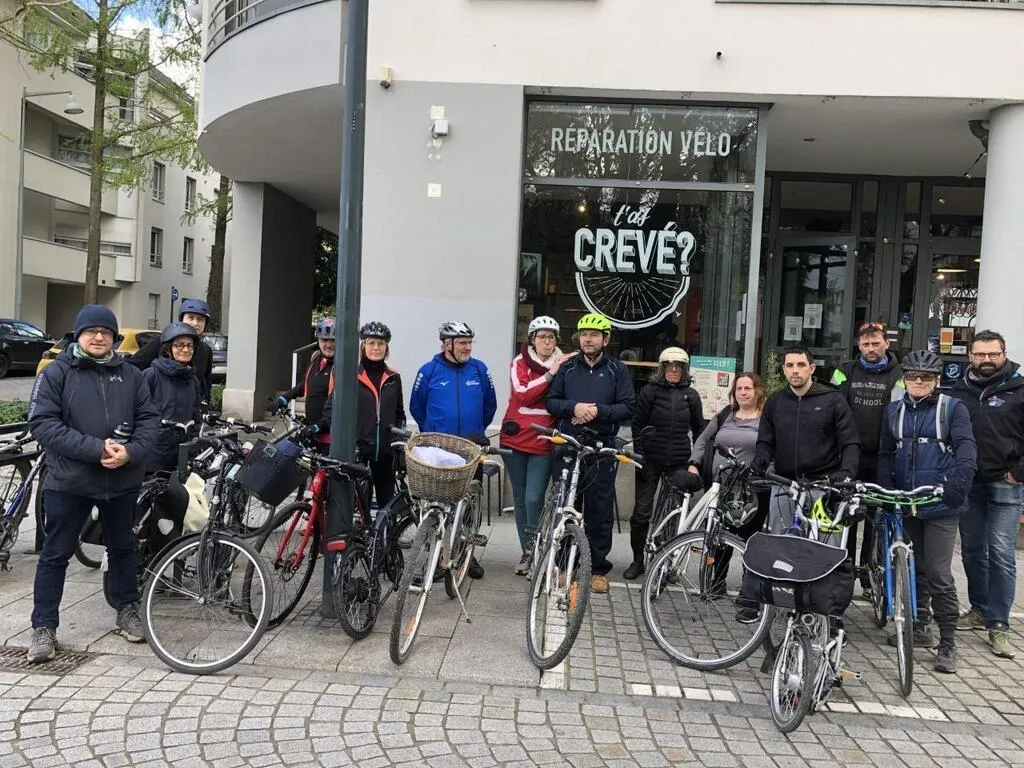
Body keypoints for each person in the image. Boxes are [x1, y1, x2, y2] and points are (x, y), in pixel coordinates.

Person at [26, 305, 159, 663]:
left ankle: (127, 610)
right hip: (70, 481)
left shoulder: (133, 376)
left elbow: (150, 421)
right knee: (55, 554)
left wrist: (130, 452)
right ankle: (43, 626)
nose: (98, 337)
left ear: (114, 338)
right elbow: (42, 423)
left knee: (123, 548)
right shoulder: (56, 373)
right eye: (91, 331)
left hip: (121, 480)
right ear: (79, 335)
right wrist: (95, 449)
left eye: (105, 332)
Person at [877, 350, 976, 674]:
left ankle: (948, 642)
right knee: (914, 568)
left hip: (941, 504)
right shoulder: (894, 410)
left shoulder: (952, 409)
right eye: (912, 376)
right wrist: (885, 489)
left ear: (936, 380)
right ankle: (920, 627)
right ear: (904, 379)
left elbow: (966, 449)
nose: (918, 381)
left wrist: (958, 484)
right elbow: (886, 453)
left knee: (938, 573)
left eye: (926, 377)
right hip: (907, 503)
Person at [547, 313, 636, 594]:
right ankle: (564, 565)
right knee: (566, 506)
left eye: (594, 335)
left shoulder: (617, 370)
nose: (588, 339)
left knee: (599, 510)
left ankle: (597, 569)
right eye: (584, 334)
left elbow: (628, 407)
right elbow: (551, 402)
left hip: (601, 448)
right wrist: (573, 408)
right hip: (569, 446)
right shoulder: (567, 368)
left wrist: (597, 411)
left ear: (605, 340)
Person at [952, 329, 1024, 659]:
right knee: (972, 550)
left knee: (1001, 552)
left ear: (1004, 354)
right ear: (970, 356)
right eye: (980, 354)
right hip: (970, 483)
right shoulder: (959, 390)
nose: (986, 360)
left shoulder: (1019, 389)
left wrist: (1018, 472)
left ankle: (999, 623)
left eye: (993, 354)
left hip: (1005, 484)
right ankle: (979, 609)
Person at [410, 320, 498, 579]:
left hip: (471, 448)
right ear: (446, 344)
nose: (467, 347)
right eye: (462, 343)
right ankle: (438, 549)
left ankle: (466, 553)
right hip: (439, 450)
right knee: (438, 502)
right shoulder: (428, 371)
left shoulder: (480, 369)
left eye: (470, 342)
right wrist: (432, 433)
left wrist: (477, 431)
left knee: (469, 502)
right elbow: (417, 407)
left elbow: (490, 405)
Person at [830, 321, 905, 598]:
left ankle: (870, 576)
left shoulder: (899, 374)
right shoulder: (844, 370)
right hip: (849, 456)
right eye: (865, 344)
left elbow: (899, 411)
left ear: (886, 344)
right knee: (847, 516)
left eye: (876, 344)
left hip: (883, 456)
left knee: (876, 519)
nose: (870, 349)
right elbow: (835, 408)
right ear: (859, 345)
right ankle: (844, 572)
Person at [752, 346, 860, 533]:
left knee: (823, 547)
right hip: (784, 486)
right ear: (784, 370)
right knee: (781, 546)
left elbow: (850, 442)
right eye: (790, 365)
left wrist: (847, 473)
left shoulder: (833, 400)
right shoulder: (775, 402)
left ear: (812, 368)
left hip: (823, 487)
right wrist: (761, 459)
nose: (795, 370)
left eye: (801, 365)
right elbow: (766, 440)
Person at [499, 316, 575, 575]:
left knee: (534, 498)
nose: (546, 342)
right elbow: (523, 394)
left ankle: (540, 548)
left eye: (551, 337)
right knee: (520, 498)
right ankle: (528, 552)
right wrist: (550, 374)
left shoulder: (564, 364)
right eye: (541, 337)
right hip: (515, 438)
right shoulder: (519, 362)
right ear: (532, 339)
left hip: (543, 439)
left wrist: (555, 373)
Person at [624, 347, 706, 580]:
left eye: (678, 366)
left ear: (684, 369)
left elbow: (700, 430)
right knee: (641, 513)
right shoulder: (649, 392)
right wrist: (640, 455)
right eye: (669, 366)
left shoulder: (692, 395)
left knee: (673, 515)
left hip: (679, 461)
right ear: (662, 368)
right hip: (650, 460)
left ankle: (665, 561)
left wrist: (695, 461)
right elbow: (638, 425)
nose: (673, 370)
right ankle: (637, 560)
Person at [689, 372, 770, 578]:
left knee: (749, 538)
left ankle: (749, 586)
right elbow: (702, 440)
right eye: (739, 388)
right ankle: (717, 582)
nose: (743, 392)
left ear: (758, 391)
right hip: (721, 488)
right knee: (719, 537)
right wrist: (694, 463)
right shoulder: (725, 415)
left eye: (747, 388)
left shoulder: (767, 419)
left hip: (752, 489)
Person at [354, 321, 406, 506]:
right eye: (371, 343)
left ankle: (384, 528)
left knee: (387, 504)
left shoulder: (393, 377)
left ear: (386, 348)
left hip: (385, 451)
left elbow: (399, 412)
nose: (376, 348)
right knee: (360, 504)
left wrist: (398, 438)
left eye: (381, 343)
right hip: (359, 450)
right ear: (363, 346)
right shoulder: (352, 375)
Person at [142, 323, 202, 473]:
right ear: (168, 349)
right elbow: (137, 413)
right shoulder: (151, 375)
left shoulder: (193, 380)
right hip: (155, 454)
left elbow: (196, 416)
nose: (186, 350)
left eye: (190, 346)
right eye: (179, 345)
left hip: (183, 452)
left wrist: (194, 441)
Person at [130, 298, 214, 401]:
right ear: (181, 319)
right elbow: (133, 367)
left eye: (200, 319)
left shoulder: (206, 350)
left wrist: (204, 402)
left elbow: (206, 383)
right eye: (191, 317)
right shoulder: (163, 342)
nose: (195, 323)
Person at [277, 317, 336, 451]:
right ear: (318, 341)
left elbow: (337, 402)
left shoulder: (340, 367)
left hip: (330, 438)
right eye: (324, 340)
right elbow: (305, 384)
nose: (328, 344)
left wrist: (320, 425)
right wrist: (284, 398)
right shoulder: (316, 361)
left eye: (333, 340)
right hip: (312, 433)